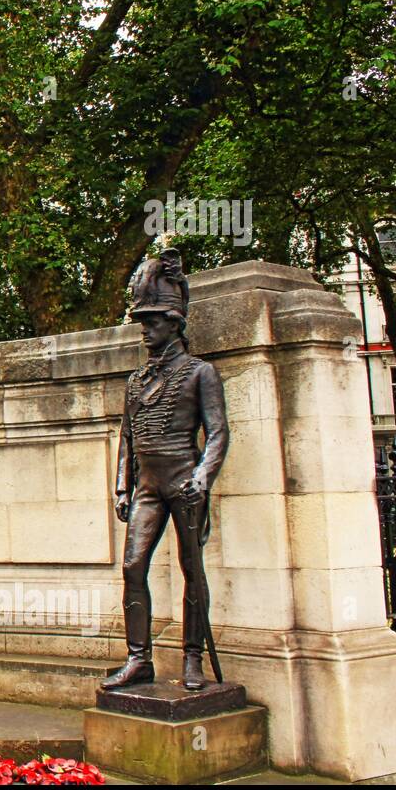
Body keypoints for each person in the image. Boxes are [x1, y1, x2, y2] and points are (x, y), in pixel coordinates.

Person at [103, 250, 229, 691]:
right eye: (142, 322)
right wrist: (122, 488)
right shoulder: (135, 381)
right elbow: (127, 439)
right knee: (133, 567)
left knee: (192, 569)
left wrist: (201, 478)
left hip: (184, 482)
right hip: (148, 487)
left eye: (152, 322)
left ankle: (192, 658)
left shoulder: (200, 373)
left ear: (174, 323)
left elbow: (217, 434)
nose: (144, 330)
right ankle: (139, 659)